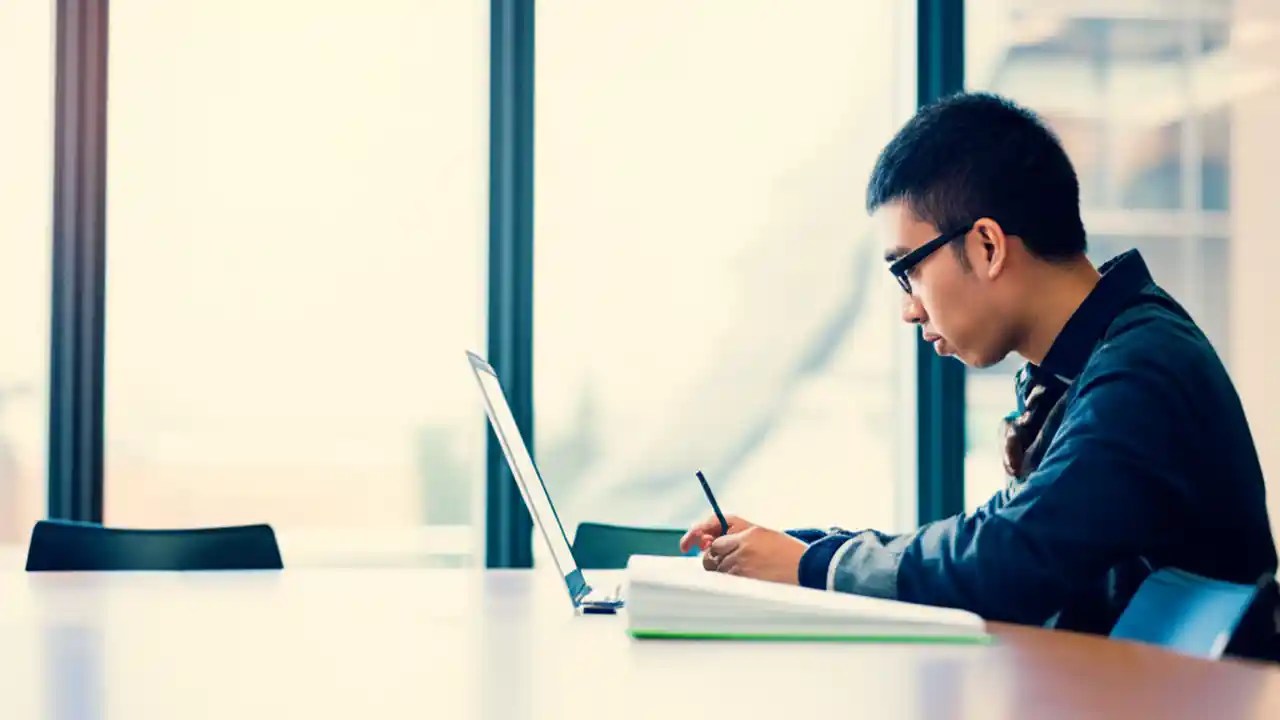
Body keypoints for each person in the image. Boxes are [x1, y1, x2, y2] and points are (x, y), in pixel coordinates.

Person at [678, 92, 1280, 661]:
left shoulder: (1142, 371)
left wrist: (815, 566)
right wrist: (809, 550)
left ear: (988, 245)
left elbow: (1005, 561)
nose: (909, 308)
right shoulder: (1091, 364)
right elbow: (997, 541)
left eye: (906, 271)